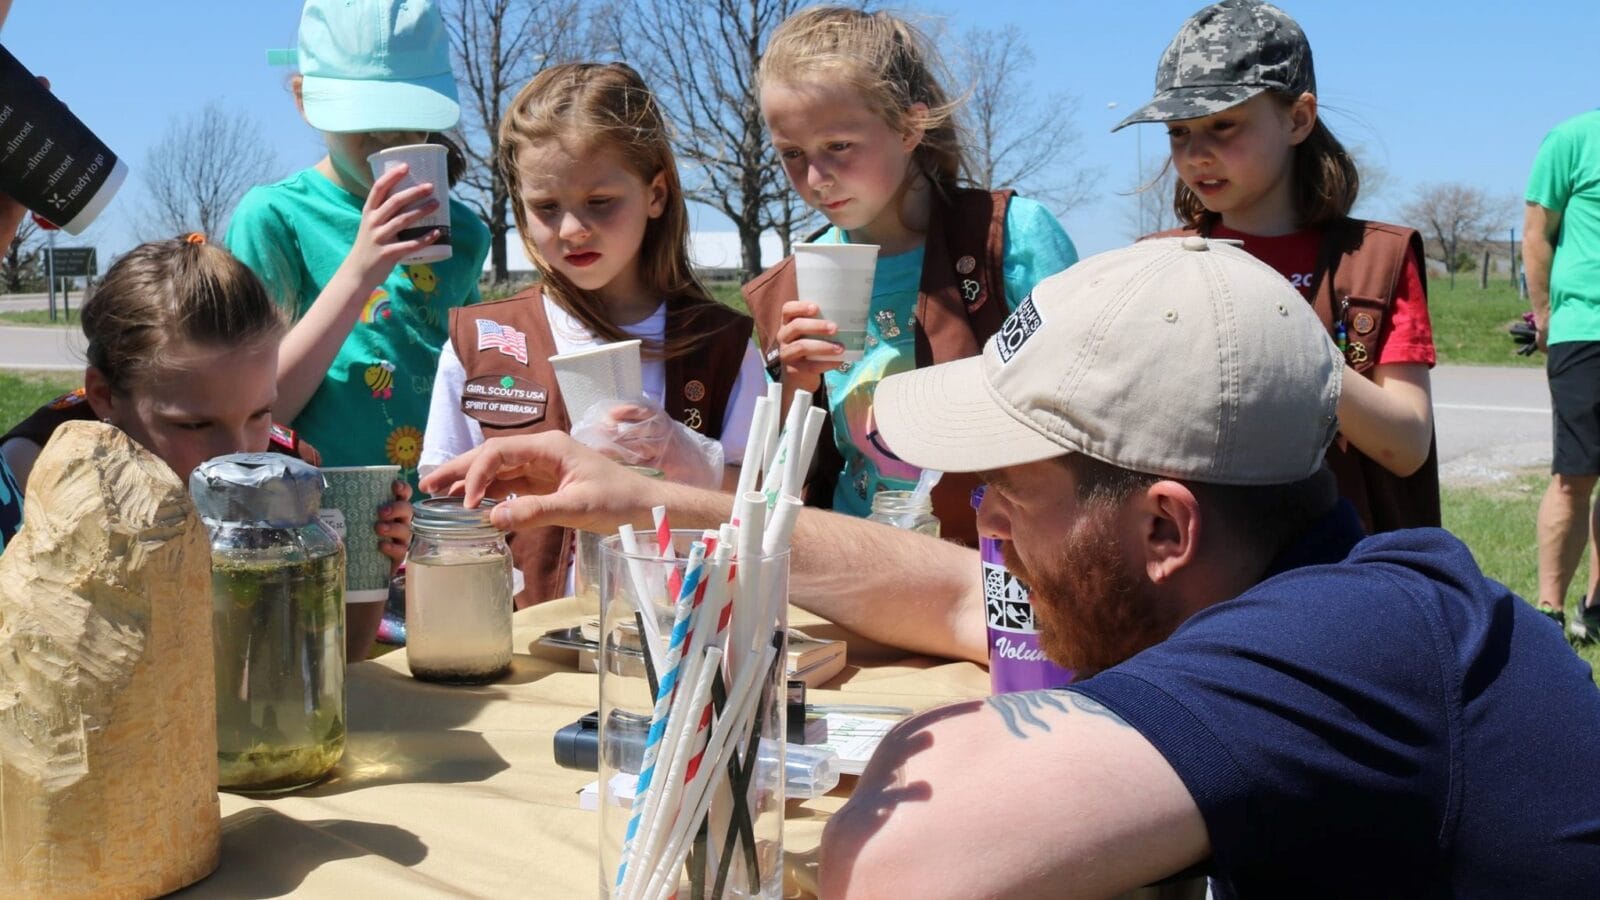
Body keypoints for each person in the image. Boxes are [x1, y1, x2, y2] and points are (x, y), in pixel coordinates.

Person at [425, 238, 1600, 897]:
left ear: (1162, 530)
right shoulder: (1291, 587)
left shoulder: (1353, 646)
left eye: (1008, 488)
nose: (979, 518)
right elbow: (945, 592)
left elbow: (892, 866)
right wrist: (659, 499)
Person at [419, 62, 763, 607]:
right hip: (522, 653)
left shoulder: (721, 344)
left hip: (680, 643)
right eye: (546, 208)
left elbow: (764, 508)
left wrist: (691, 461)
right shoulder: (482, 338)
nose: (573, 230)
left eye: (601, 203)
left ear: (656, 194)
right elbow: (443, 504)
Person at [745, 6, 1079, 545]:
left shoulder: (1007, 237)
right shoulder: (794, 281)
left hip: (1001, 566)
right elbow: (767, 475)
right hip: (859, 566)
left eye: (838, 146)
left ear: (909, 125)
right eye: (791, 153)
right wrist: (796, 384)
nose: (814, 177)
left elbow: (1087, 413)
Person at [1115, 0, 1438, 535]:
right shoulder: (1155, 262)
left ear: (1298, 119)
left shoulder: (1374, 262)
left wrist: (1285, 345)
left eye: (1224, 124)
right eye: (1177, 131)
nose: (1196, 153)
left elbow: (1406, 447)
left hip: (1341, 576)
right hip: (1203, 575)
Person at [0, 235, 399, 658]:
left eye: (260, 414)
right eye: (194, 424)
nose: (237, 454)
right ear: (103, 394)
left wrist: (367, 569)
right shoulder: (29, 483)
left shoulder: (283, 472)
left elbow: (337, 661)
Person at [225, 0, 490, 492]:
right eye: (366, 122)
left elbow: (474, 387)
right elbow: (248, 413)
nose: (389, 138)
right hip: (315, 520)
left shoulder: (467, 234)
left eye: (412, 120)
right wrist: (360, 270)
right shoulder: (275, 219)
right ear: (304, 101)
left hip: (436, 517)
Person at [1525, 106, 1600, 640]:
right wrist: (1544, 315)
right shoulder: (1573, 138)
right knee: (1575, 475)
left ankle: (1595, 610)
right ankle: (1548, 614)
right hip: (1585, 327)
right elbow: (1536, 232)